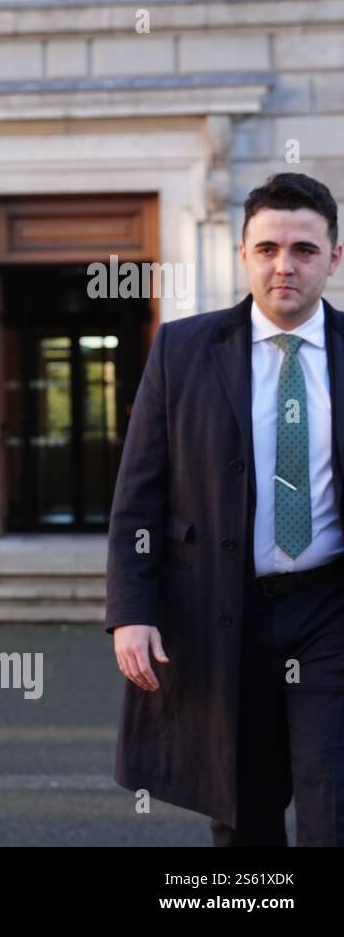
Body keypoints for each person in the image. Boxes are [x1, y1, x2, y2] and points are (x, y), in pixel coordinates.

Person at [107, 172, 344, 846]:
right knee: (243, 810)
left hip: (329, 611)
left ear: (335, 256)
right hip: (221, 611)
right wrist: (131, 610)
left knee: (334, 800)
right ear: (243, 253)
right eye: (267, 248)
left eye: (303, 249)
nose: (284, 265)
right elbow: (139, 496)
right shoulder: (184, 351)